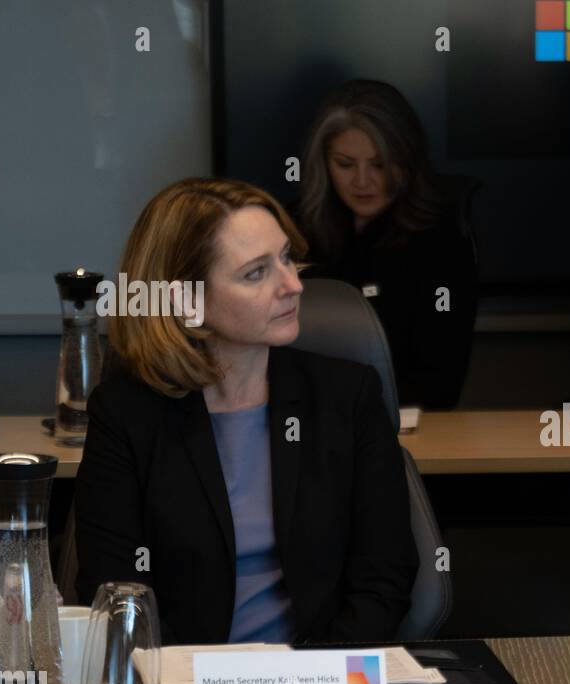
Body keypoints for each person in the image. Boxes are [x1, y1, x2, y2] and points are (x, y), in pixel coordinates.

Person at [75, 177, 419, 646]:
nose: (294, 284)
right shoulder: (126, 415)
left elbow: (384, 579)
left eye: (287, 258)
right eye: (256, 273)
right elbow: (115, 593)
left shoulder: (348, 395)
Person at [298, 79, 477, 409]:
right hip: (300, 425)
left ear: (406, 161)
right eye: (345, 164)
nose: (362, 181)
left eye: (379, 164)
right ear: (323, 163)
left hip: (398, 429)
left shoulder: (440, 241)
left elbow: (439, 386)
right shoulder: (290, 232)